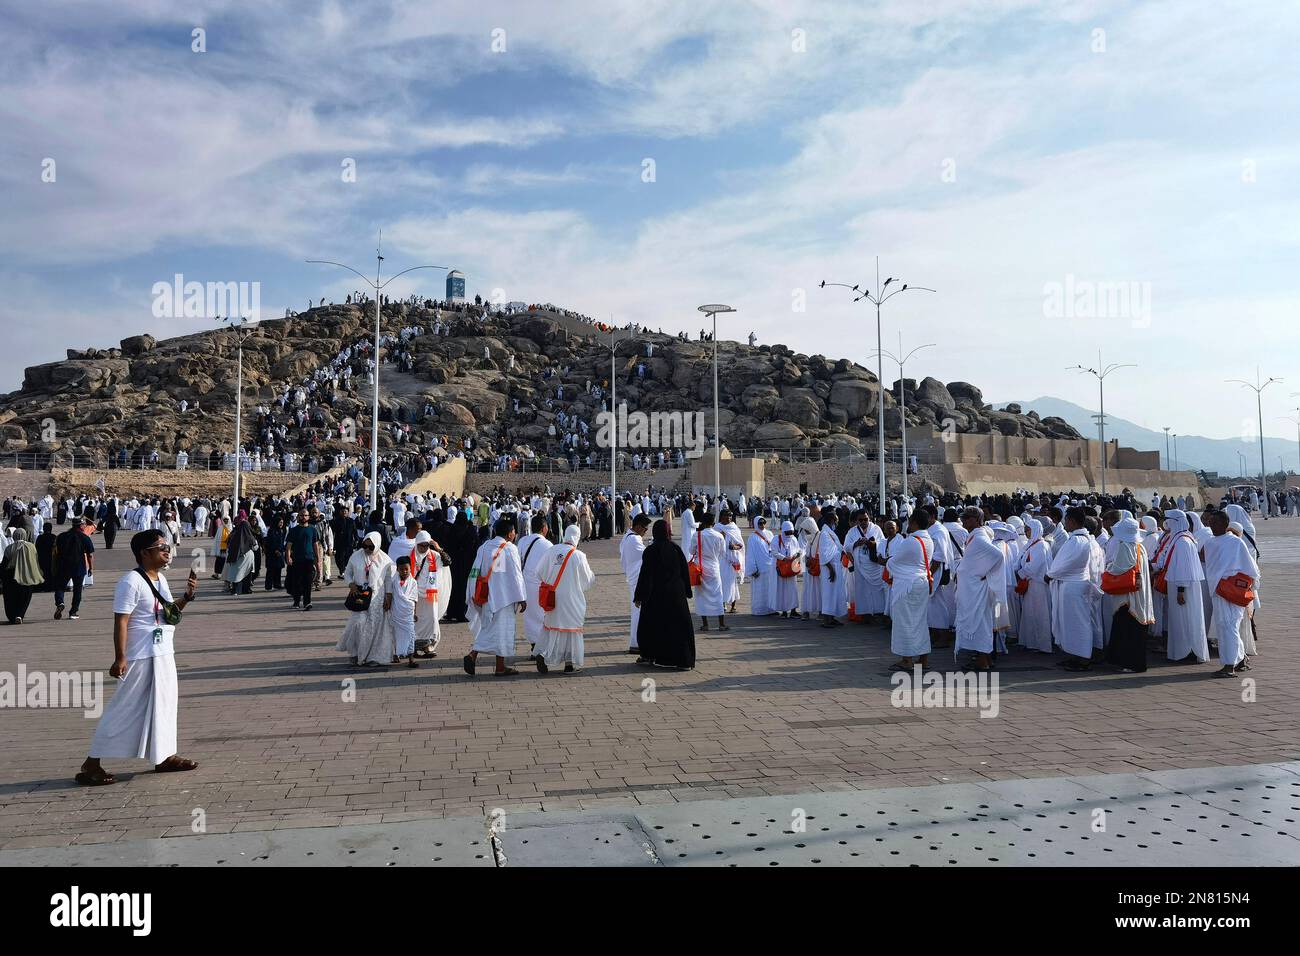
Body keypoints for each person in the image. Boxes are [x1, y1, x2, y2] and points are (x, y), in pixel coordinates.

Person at [75, 529, 199, 786]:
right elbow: (121, 621)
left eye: (167, 546)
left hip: (163, 651)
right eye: (161, 547)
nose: (167, 551)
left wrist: (186, 597)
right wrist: (120, 658)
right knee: (125, 707)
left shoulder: (160, 580)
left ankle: (164, 756)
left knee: (164, 706)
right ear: (145, 553)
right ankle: (91, 763)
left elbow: (167, 613)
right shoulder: (130, 582)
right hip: (140, 654)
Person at [464, 517, 527, 676]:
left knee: (492, 629)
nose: (514, 533)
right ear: (510, 533)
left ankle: (499, 666)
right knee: (501, 631)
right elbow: (516, 574)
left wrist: (471, 591)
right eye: (513, 531)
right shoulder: (510, 548)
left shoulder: (484, 547)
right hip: (504, 597)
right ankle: (473, 655)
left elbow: (475, 570)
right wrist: (522, 597)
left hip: (486, 596)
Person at [1203, 510, 1259, 678]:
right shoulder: (1210, 543)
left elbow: (1251, 569)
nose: (1211, 526)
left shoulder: (1235, 542)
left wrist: (1244, 586)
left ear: (1224, 524)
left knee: (1229, 627)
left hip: (1232, 590)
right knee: (1226, 626)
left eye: (1215, 523)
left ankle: (1229, 666)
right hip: (1218, 590)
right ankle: (1240, 660)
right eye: (1210, 523)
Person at [633, 519, 696, 669]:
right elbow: (684, 571)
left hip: (656, 595)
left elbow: (645, 575)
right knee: (678, 627)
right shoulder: (676, 549)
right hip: (676, 594)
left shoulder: (650, 550)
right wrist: (687, 591)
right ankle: (683, 661)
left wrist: (639, 596)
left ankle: (649, 655)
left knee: (652, 626)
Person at [534, 525, 596, 673]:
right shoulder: (579, 555)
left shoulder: (552, 550)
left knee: (552, 627)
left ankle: (543, 653)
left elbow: (538, 572)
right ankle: (570, 664)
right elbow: (587, 581)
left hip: (553, 598)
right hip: (572, 599)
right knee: (571, 630)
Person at [953, 508, 1004, 671]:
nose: (964, 521)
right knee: (981, 623)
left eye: (967, 518)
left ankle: (983, 662)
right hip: (971, 588)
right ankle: (985, 659)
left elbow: (998, 556)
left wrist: (986, 573)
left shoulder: (980, 537)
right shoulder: (974, 536)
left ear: (976, 519)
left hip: (977, 590)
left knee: (981, 624)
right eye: (963, 518)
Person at [1101, 516, 1153, 673]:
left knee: (1128, 627)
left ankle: (1131, 663)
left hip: (1128, 596)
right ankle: (1133, 662)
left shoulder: (1125, 546)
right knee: (1135, 629)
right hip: (1138, 593)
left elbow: (1118, 568)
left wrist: (1107, 568)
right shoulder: (1139, 546)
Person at [884, 511, 933, 671]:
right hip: (922, 583)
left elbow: (895, 561)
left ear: (914, 522)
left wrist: (888, 562)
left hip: (907, 586)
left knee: (905, 622)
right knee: (920, 621)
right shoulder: (929, 539)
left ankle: (907, 660)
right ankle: (923, 660)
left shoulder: (910, 541)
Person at [338, 532, 394, 666]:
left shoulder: (385, 560)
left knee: (375, 628)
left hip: (376, 599)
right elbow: (348, 573)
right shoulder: (356, 556)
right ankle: (356, 653)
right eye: (365, 545)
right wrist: (351, 584)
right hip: (359, 596)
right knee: (358, 624)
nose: (367, 549)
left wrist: (389, 597)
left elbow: (388, 581)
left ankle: (373, 656)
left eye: (371, 547)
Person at [1161, 510, 1208, 663]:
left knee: (1185, 618)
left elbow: (1184, 568)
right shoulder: (1180, 538)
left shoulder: (1182, 542)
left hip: (1183, 587)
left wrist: (1180, 590)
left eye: (1168, 520)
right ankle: (1183, 650)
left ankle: (1188, 651)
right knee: (1181, 619)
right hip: (1180, 585)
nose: (1166, 523)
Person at [516, 514, 554, 654]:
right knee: (541, 617)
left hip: (525, 584)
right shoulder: (548, 545)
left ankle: (534, 645)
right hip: (540, 585)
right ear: (544, 528)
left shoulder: (522, 541)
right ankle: (541, 648)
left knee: (529, 617)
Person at [1015, 518, 1053, 653]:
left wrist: (1020, 572)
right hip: (1031, 584)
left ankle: (1042, 644)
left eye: (1028, 529)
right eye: (1025, 530)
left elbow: (1035, 566)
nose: (1026, 532)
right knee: (1031, 614)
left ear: (1036, 529)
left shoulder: (1040, 545)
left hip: (1037, 585)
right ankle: (1032, 642)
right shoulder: (1033, 544)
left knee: (1039, 614)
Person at [691, 511, 728, 631]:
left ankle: (705, 624)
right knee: (718, 594)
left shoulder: (697, 535)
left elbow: (691, 551)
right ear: (713, 522)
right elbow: (723, 553)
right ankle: (721, 624)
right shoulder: (719, 536)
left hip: (700, 568)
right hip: (714, 567)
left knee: (702, 596)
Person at [52, 518, 95, 620]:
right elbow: (90, 555)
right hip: (78, 566)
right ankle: (73, 612)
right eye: (83, 524)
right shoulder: (84, 537)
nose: (84, 526)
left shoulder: (62, 536)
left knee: (60, 587)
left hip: (63, 565)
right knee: (77, 589)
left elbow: (55, 551)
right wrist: (91, 568)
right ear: (80, 526)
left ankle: (60, 602)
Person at [621, 514, 650, 652]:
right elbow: (647, 556)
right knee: (639, 613)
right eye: (645, 529)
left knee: (636, 613)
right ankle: (637, 643)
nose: (645, 531)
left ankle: (636, 642)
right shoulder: (634, 540)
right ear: (638, 527)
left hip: (633, 577)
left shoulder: (627, 536)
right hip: (637, 579)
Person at [385, 555, 420, 668]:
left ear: (410, 568)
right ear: (397, 569)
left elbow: (414, 599)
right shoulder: (393, 581)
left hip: (408, 613)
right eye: (401, 569)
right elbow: (390, 595)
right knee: (395, 634)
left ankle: (411, 658)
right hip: (396, 611)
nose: (404, 571)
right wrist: (388, 605)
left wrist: (414, 613)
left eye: (406, 569)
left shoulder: (413, 582)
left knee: (410, 634)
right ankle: (396, 654)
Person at [1, 529, 42, 624]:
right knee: (25, 596)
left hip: (11, 575)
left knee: (10, 596)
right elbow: (34, 561)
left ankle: (12, 616)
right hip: (26, 574)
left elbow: (4, 564)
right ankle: (20, 614)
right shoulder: (31, 547)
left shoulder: (9, 548)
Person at [285, 509, 322, 610]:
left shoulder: (312, 529)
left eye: (306, 515)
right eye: (301, 515)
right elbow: (288, 546)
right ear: (298, 517)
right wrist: (288, 557)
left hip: (309, 559)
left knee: (308, 582)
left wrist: (318, 559)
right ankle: (296, 602)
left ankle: (307, 602)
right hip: (297, 559)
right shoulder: (294, 530)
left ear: (308, 517)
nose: (304, 517)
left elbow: (315, 545)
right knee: (297, 581)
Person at [771, 520, 803, 619]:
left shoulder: (793, 539)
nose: (789, 534)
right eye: (788, 532)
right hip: (781, 568)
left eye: (791, 532)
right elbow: (774, 552)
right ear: (783, 531)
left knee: (793, 589)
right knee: (782, 590)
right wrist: (784, 558)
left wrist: (797, 555)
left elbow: (798, 549)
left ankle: (793, 610)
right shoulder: (776, 539)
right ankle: (784, 611)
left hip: (792, 568)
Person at [744, 516, 775, 616]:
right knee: (759, 590)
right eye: (760, 523)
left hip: (770, 566)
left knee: (770, 589)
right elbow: (750, 555)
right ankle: (759, 610)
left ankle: (771, 609)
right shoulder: (752, 537)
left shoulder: (770, 534)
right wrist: (753, 569)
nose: (762, 525)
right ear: (756, 524)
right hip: (759, 568)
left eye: (763, 523)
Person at [222, 511, 258, 595]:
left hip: (237, 558)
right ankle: (246, 590)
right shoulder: (249, 535)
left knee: (236, 574)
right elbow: (255, 547)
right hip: (247, 556)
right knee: (246, 575)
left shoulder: (235, 534)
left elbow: (229, 545)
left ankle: (236, 590)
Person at [718, 510, 745, 615]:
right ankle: (722, 604)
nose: (729, 518)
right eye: (727, 516)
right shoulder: (717, 528)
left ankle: (733, 606)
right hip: (721, 559)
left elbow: (741, 544)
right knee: (721, 582)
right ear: (721, 517)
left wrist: (734, 547)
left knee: (732, 583)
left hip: (731, 561)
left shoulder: (734, 528)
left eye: (730, 516)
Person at [264, 514, 286, 590]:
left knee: (278, 569)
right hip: (272, 553)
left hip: (279, 552)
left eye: (282, 523)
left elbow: (281, 542)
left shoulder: (281, 531)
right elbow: (270, 542)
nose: (281, 524)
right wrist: (275, 550)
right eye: (280, 522)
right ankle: (268, 585)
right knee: (271, 569)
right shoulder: (271, 531)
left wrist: (282, 550)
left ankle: (277, 584)